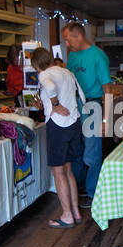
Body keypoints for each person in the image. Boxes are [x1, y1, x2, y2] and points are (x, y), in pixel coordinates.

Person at [32, 47, 84, 228]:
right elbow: (81, 94)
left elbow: (51, 86)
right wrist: (47, 103)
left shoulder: (44, 74)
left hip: (58, 125)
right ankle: (75, 211)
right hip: (74, 122)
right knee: (68, 169)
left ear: (35, 64)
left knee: (58, 171)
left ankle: (67, 215)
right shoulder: (66, 71)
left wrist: (55, 104)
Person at [63, 22, 111, 200]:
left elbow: (107, 89)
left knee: (92, 152)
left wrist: (106, 120)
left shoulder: (98, 56)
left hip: (93, 105)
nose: (67, 45)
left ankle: (92, 192)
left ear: (79, 36)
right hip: (74, 105)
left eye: (68, 40)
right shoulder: (72, 56)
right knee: (76, 150)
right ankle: (79, 189)